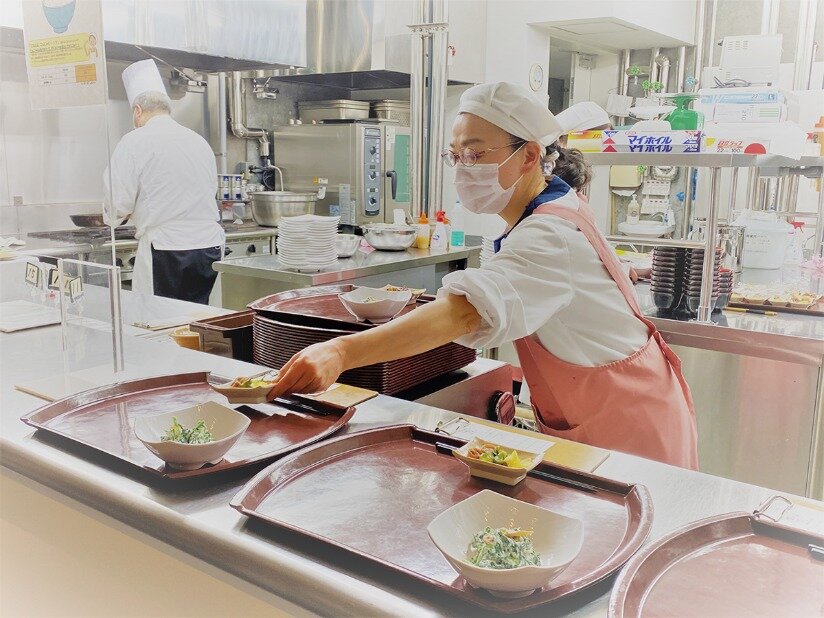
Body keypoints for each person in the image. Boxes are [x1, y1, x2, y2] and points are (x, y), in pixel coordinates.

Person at [267, 82, 698, 469]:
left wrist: (340, 352)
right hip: (618, 406)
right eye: (455, 155)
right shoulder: (555, 206)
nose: (463, 169)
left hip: (627, 429)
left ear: (529, 155)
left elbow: (463, 313)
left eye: (475, 154)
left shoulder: (548, 233)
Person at [104, 59, 224, 304]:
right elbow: (210, 189)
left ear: (138, 111)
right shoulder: (198, 141)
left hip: (165, 249)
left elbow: (118, 204)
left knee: (158, 319)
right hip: (209, 246)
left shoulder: (134, 141)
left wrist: (116, 217)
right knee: (202, 318)